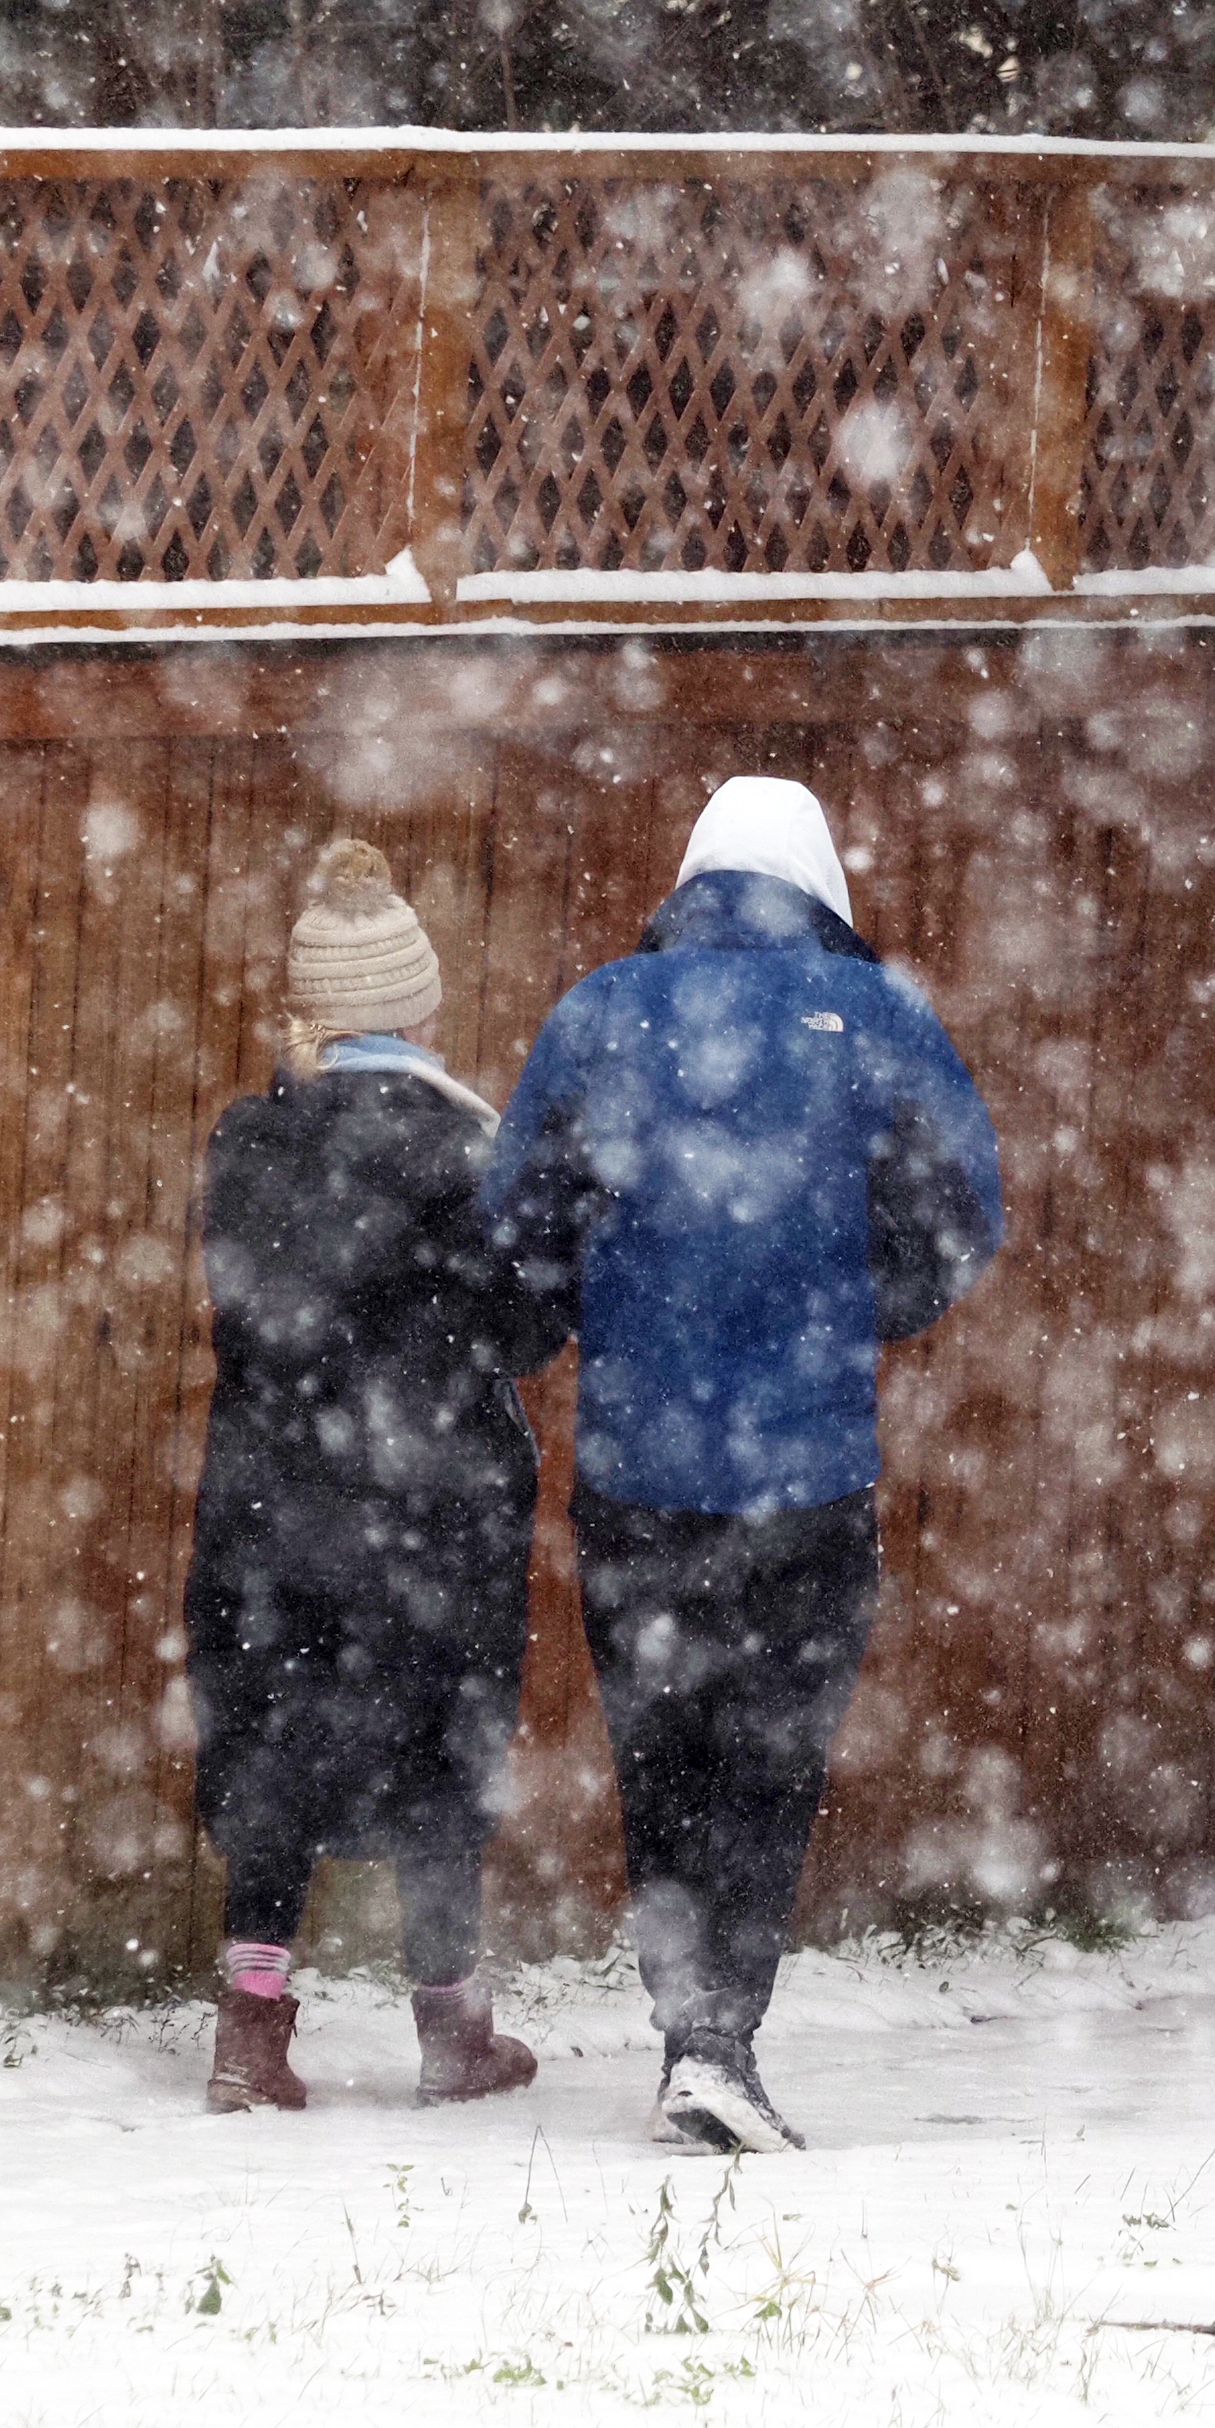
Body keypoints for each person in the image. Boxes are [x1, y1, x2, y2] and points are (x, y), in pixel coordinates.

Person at [488, 777, 1002, 2152]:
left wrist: (574, 1312)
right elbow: (963, 1208)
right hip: (808, 1467)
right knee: (769, 1761)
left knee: (662, 1755)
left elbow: (520, 1223)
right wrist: (858, 1307)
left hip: (634, 1468)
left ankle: (688, 2033)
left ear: (692, 879)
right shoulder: (879, 1018)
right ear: (817, 883)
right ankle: (719, 2038)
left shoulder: (602, 1012)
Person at [181, 839, 553, 2116]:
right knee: (441, 1751)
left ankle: (250, 2030)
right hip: (434, 1510)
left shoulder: (247, 1139)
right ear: (417, 1007)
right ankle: (452, 2031)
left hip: (272, 1500)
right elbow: (522, 1329)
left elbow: (245, 1317)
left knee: (274, 1745)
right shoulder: (473, 1146)